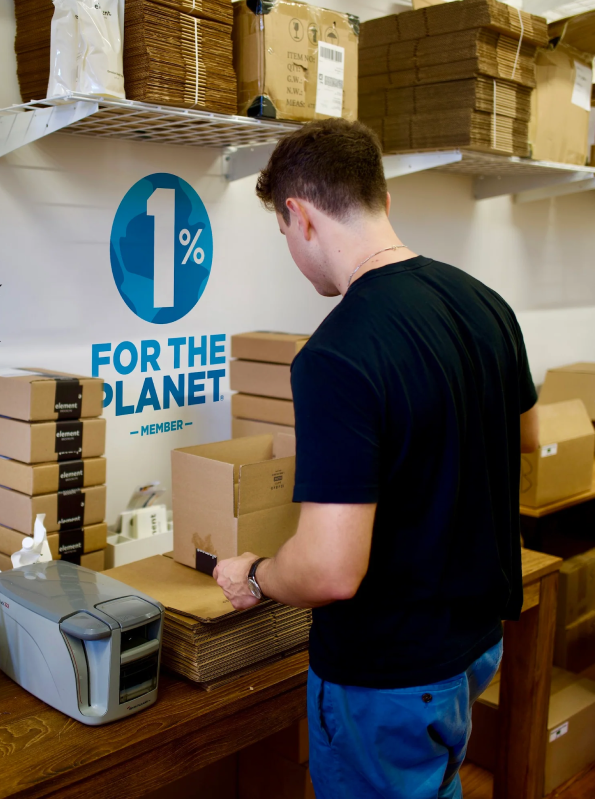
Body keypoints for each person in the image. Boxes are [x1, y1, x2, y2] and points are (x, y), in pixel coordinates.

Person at [212, 118, 539, 799]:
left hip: (387, 676)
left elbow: (331, 572)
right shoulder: (487, 306)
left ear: (298, 216)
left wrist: (257, 574)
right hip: (472, 647)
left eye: (283, 236)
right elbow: (526, 437)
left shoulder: (337, 353)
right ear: (383, 202)